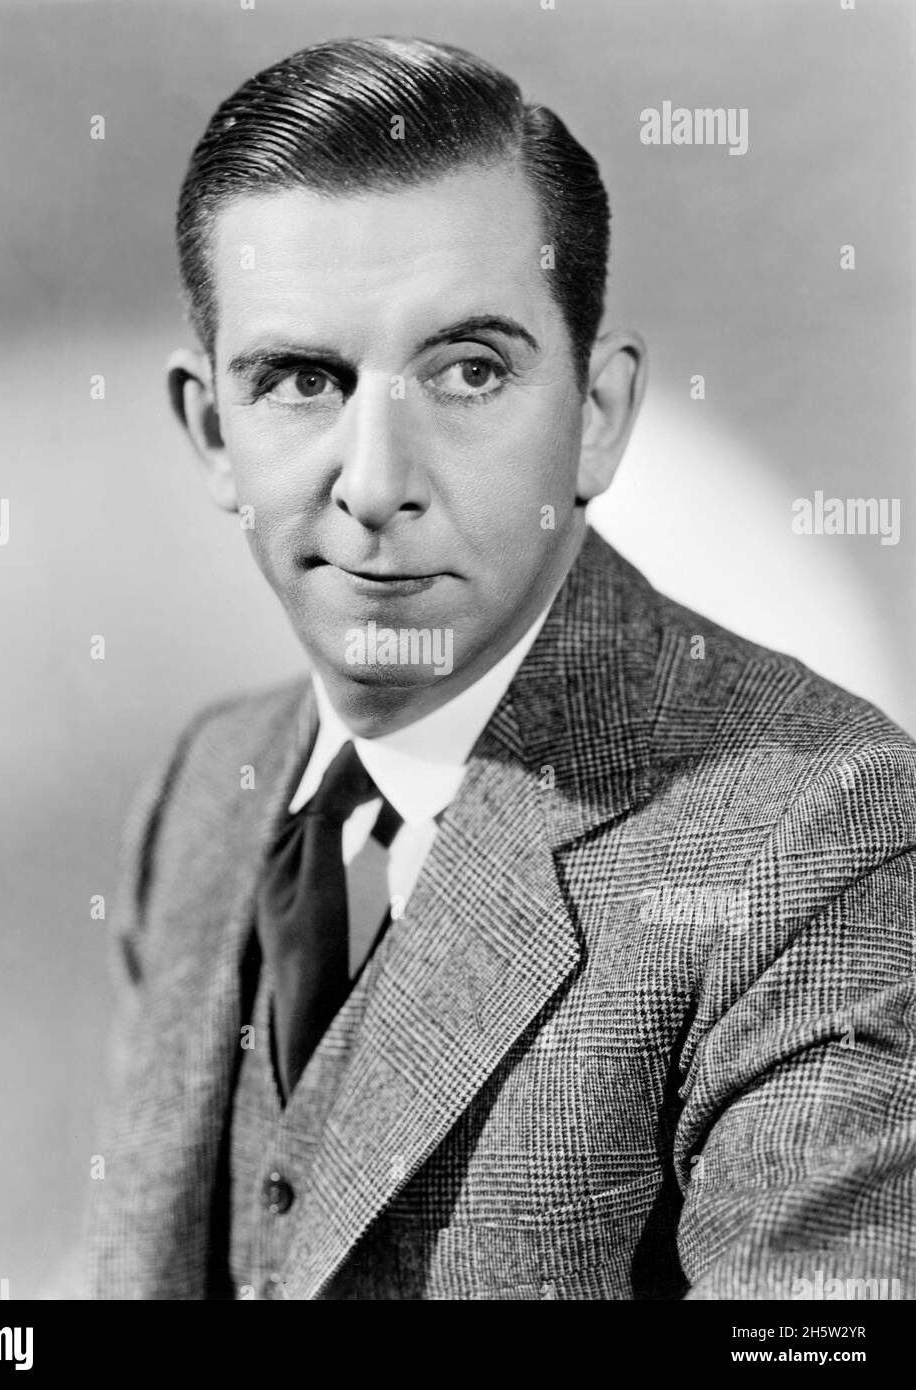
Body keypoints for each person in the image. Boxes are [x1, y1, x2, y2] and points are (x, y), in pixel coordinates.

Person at [84, 35, 915, 1300]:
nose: (373, 484)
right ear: (211, 431)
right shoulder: (204, 789)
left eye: (467, 372)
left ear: (594, 414)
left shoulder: (820, 837)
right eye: (300, 380)